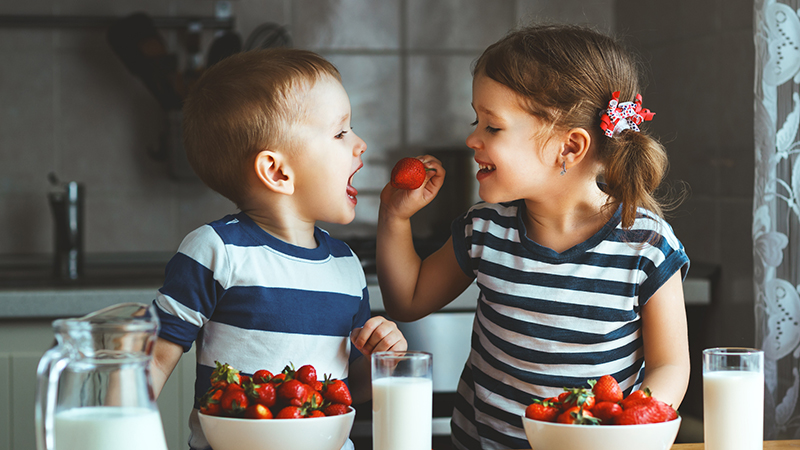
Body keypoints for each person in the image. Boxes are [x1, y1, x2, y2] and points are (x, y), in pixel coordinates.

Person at [376, 24, 690, 449]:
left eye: (493, 127)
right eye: (476, 120)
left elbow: (671, 366)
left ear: (570, 147)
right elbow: (407, 300)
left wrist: (627, 429)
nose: (472, 138)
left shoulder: (646, 246)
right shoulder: (485, 228)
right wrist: (394, 218)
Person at [148, 48, 407, 450]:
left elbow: (348, 388)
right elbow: (154, 359)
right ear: (277, 171)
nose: (361, 144)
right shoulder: (216, 251)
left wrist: (380, 362)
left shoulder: (346, 266)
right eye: (341, 133)